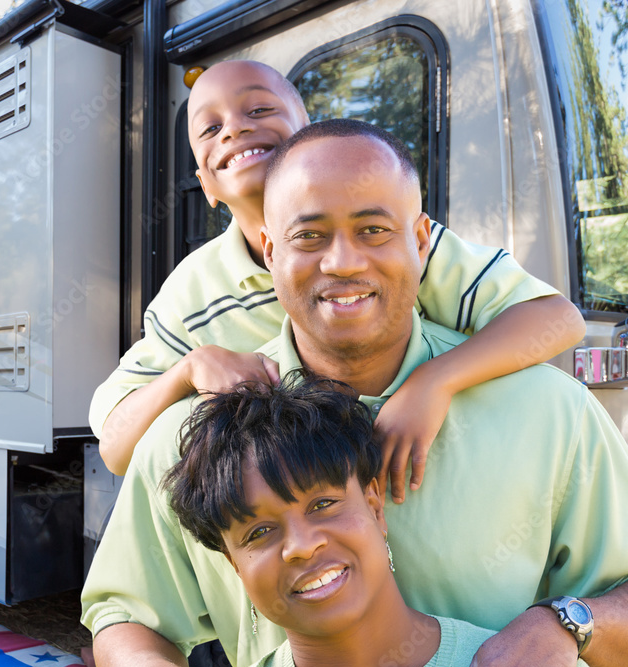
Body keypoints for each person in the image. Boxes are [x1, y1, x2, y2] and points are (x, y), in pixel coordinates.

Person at [81, 119, 628, 667]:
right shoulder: (196, 439)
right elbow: (123, 613)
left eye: (373, 229)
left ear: (421, 241)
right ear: (270, 249)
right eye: (309, 237)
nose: (342, 261)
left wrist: (563, 627)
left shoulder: (551, 412)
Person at [153, 376, 627, 667]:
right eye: (258, 533)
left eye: (322, 503)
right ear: (235, 567)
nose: (301, 545)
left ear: (376, 508)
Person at [90, 61, 584, 508]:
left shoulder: (398, 247)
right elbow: (115, 447)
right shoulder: (192, 291)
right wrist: (188, 369)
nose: (235, 128)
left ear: (310, 136)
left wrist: (435, 380)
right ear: (206, 185)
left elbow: (556, 319)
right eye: (211, 128)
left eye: (259, 108)